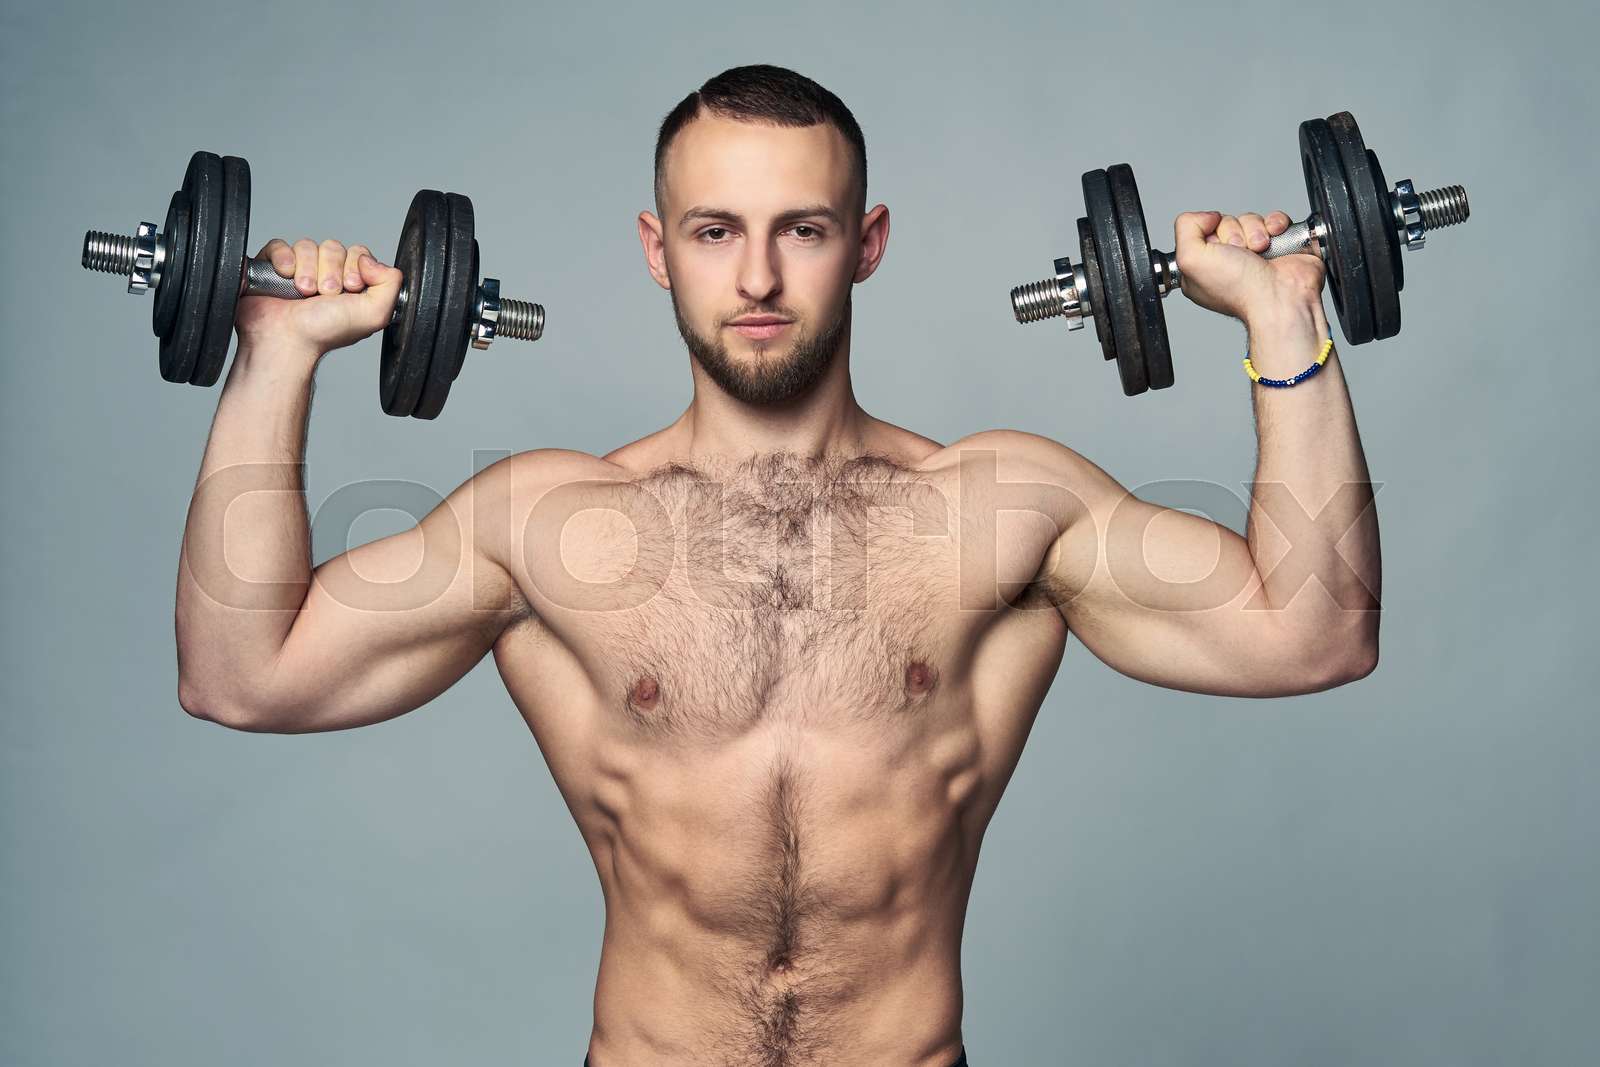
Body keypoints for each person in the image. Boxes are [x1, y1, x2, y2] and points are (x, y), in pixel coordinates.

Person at [174, 64, 1380, 1067]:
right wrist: (276, 355)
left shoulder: (1005, 507)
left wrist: (1284, 320)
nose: (756, 278)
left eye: (800, 230)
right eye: (715, 232)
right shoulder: (541, 520)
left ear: (866, 243)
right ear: (658, 250)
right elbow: (246, 675)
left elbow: (1311, 633)